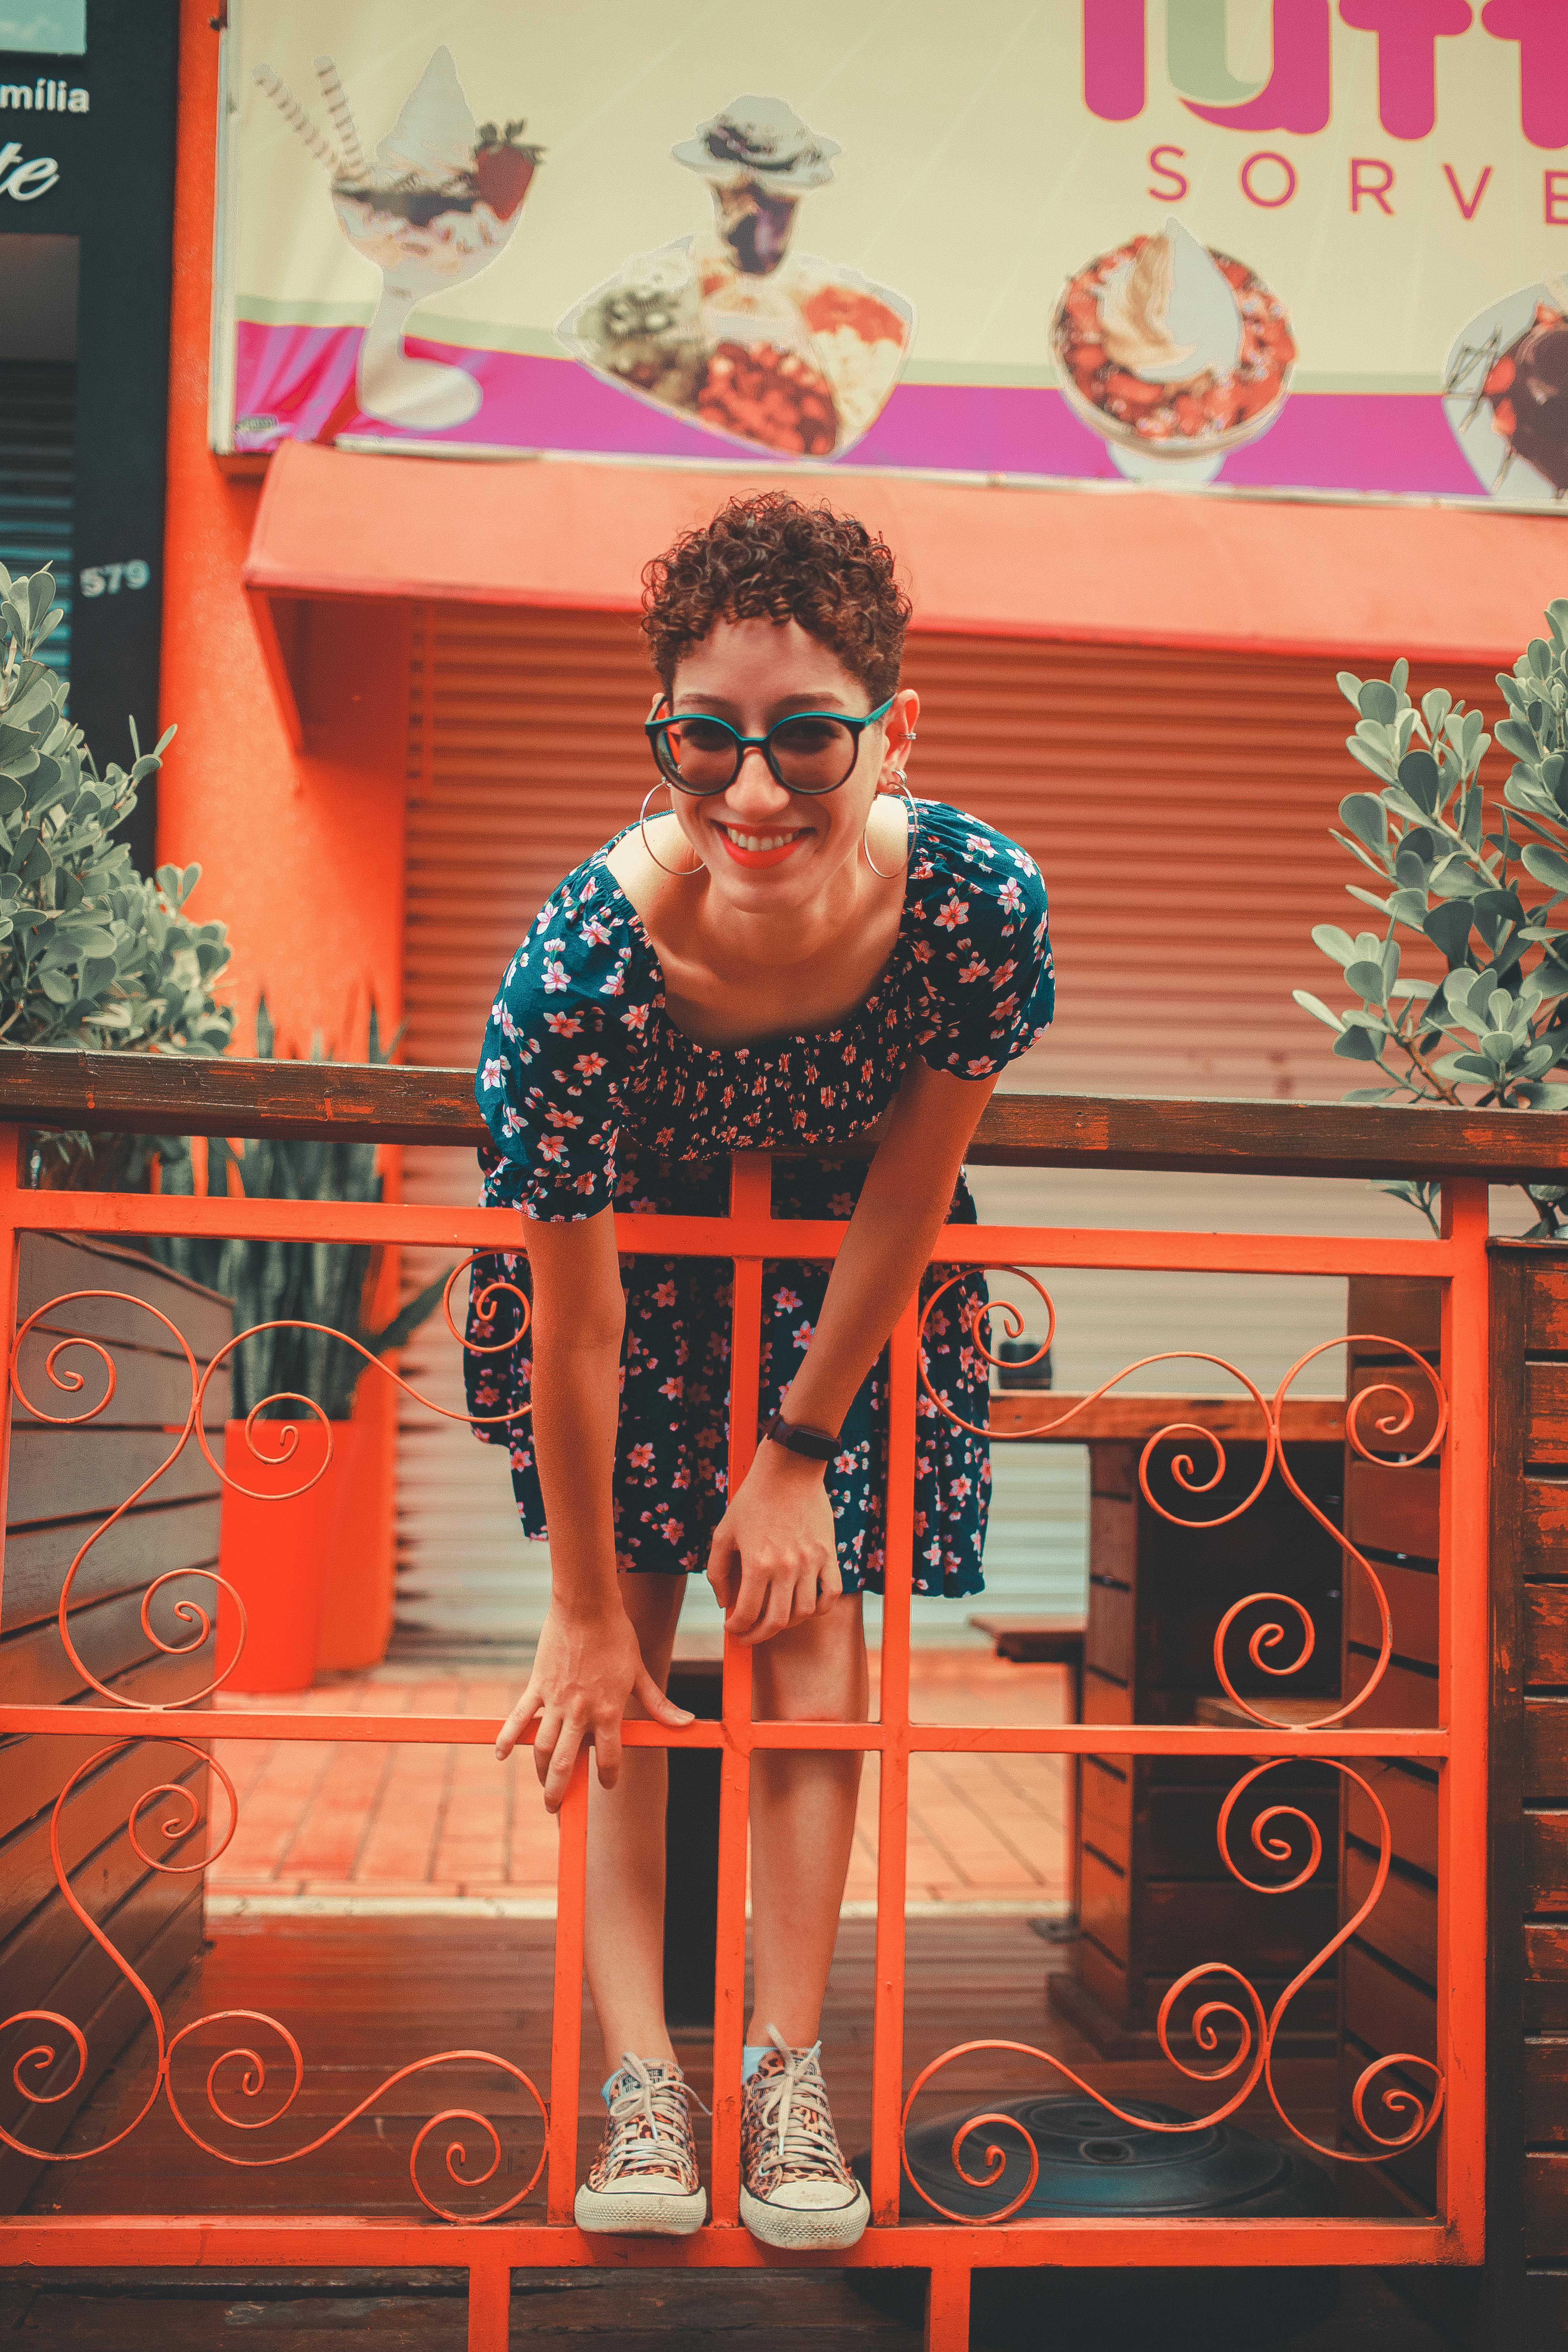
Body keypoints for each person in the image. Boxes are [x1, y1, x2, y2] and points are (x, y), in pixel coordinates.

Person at [466, 492, 1054, 2248]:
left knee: (807, 1653)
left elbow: (914, 1183)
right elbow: (572, 1320)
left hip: (843, 1303)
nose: (754, 788)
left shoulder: (972, 904)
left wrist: (801, 1441)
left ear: (895, 731)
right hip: (638, 1289)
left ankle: (783, 2069)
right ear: (659, 734)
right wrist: (577, 1602)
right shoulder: (575, 971)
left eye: (807, 735)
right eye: (705, 737)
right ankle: (642, 2078)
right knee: (629, 1673)